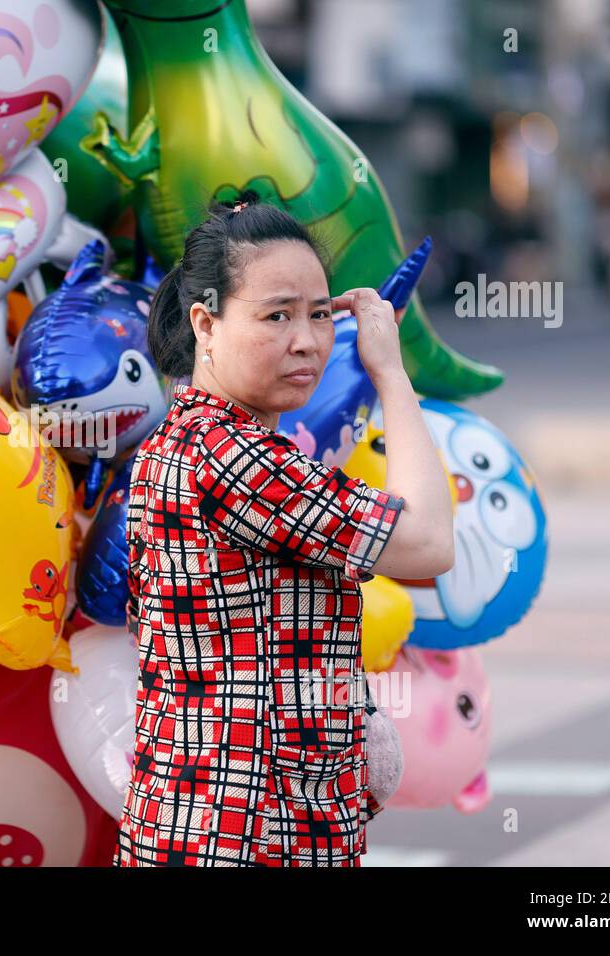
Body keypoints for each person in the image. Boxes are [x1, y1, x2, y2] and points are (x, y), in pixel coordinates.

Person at [113, 194, 455, 867]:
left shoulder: (186, 443)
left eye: (320, 314)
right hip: (245, 837)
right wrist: (390, 373)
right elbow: (430, 543)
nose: (307, 340)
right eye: (277, 316)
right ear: (205, 324)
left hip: (203, 827)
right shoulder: (233, 457)